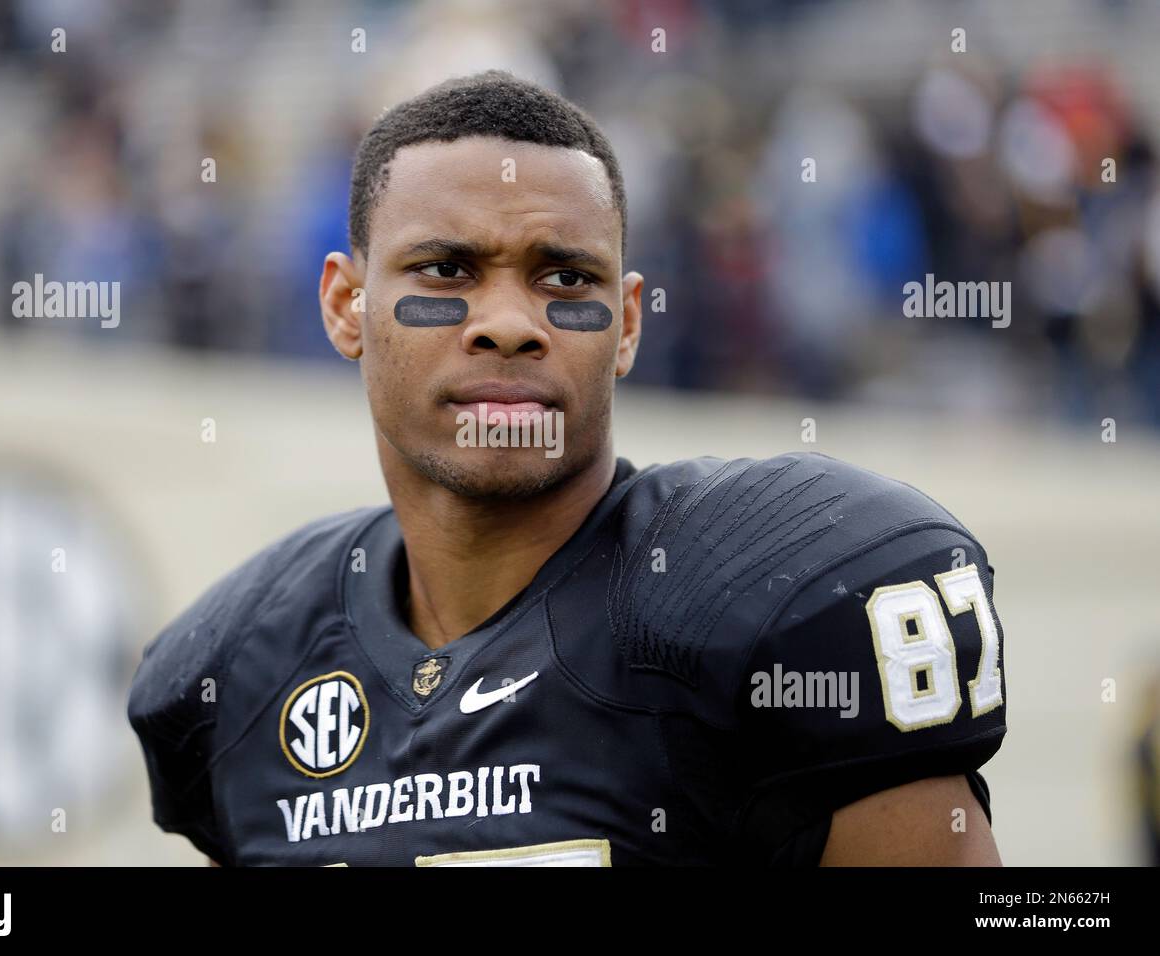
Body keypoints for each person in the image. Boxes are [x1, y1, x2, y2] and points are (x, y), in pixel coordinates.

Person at [128, 70, 1006, 866]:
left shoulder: (768, 593)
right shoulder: (244, 670)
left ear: (627, 324)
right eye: (447, 269)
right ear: (345, 304)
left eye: (565, 279)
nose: (509, 323)